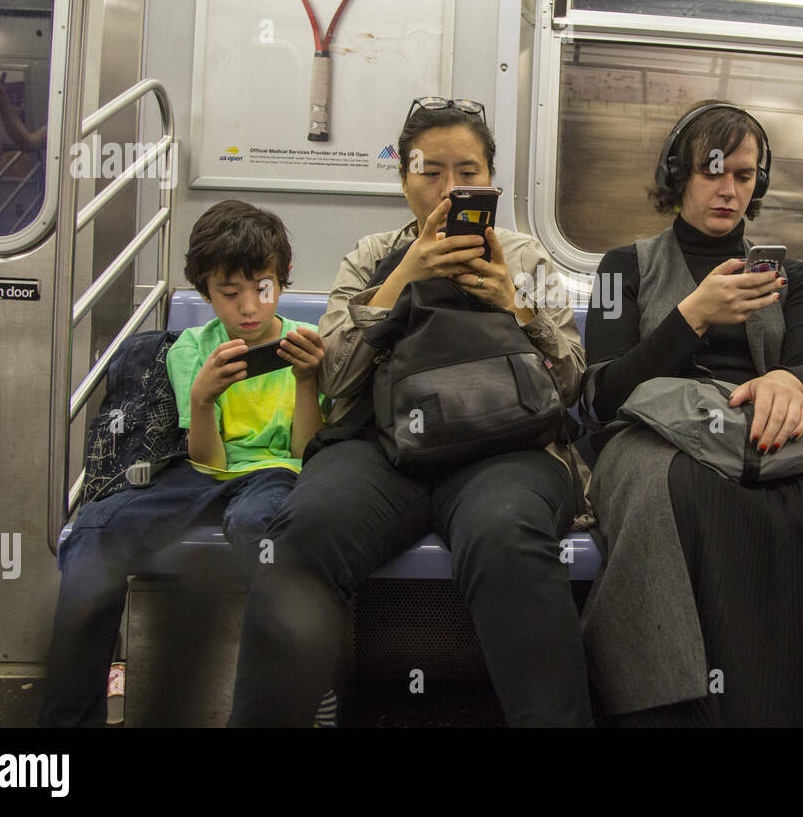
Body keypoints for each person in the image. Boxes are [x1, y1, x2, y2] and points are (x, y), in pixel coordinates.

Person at [228, 97, 594, 727]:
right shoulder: (371, 256)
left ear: (491, 179)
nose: (450, 189)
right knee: (307, 528)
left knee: (507, 535)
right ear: (403, 179)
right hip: (382, 449)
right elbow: (335, 377)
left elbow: (569, 384)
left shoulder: (526, 259)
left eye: (469, 172)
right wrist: (402, 279)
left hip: (505, 449)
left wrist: (515, 305)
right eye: (431, 171)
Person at [579, 100, 803, 726]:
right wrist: (692, 317)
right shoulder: (622, 268)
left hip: (761, 431)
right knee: (687, 494)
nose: (729, 189)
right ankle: (689, 709)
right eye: (713, 171)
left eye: (744, 174)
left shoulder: (793, 275)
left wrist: (787, 378)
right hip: (659, 438)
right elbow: (602, 395)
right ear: (679, 173)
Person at [38, 200, 324, 726]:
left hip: (278, 471)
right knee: (93, 530)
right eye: (228, 294)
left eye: (261, 287)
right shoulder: (191, 348)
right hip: (201, 471)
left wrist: (307, 382)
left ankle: (282, 705)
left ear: (282, 280)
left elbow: (306, 455)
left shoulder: (305, 346)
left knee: (262, 528)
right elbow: (206, 461)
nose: (248, 309)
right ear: (205, 293)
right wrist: (201, 399)